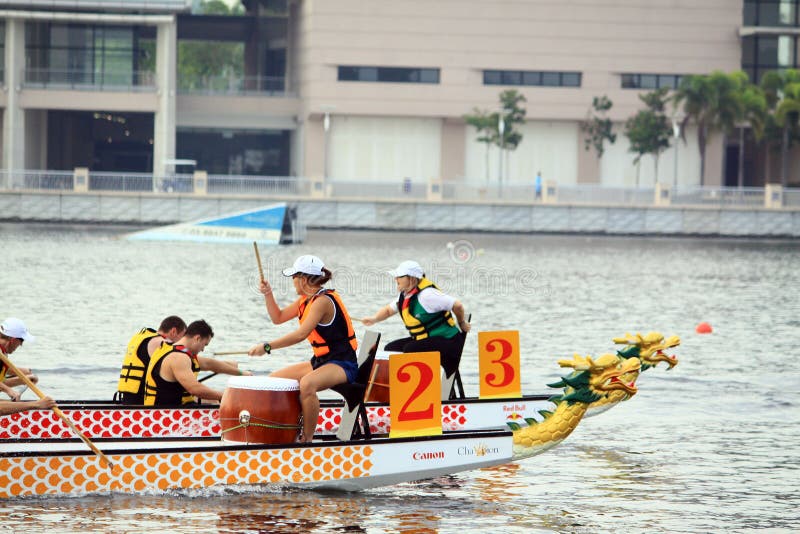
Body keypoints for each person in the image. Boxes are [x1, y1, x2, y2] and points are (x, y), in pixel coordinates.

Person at [247, 254, 358, 443]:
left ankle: (307, 439)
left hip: (343, 364)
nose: (292, 282)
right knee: (274, 380)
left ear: (304, 279)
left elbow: (300, 334)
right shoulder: (305, 300)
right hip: (321, 361)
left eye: (294, 277)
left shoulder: (322, 301)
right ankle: (287, 429)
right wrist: (268, 294)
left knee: (307, 384)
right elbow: (277, 318)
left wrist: (267, 347)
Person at [361, 260, 470, 375]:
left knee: (410, 349)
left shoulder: (428, 295)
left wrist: (462, 323)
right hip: (428, 340)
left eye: (399, 276)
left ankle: (419, 380)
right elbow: (388, 311)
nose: (396, 279)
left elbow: (457, 305)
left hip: (449, 342)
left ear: (412, 278)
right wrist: (374, 319)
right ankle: (396, 381)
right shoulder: (406, 295)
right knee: (390, 348)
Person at [143, 319, 250, 406]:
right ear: (197, 338)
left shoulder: (170, 349)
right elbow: (195, 389)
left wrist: (241, 373)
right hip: (166, 415)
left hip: (168, 409)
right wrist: (228, 396)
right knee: (221, 401)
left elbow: (210, 364)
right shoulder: (178, 357)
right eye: (205, 344)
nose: (203, 349)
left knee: (213, 400)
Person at [117, 315, 187, 404]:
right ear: (173, 331)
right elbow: (185, 356)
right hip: (143, 403)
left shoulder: (141, 338)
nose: (183, 342)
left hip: (128, 399)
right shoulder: (161, 342)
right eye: (183, 337)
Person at [0, 317, 38, 401]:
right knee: (31, 405)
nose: (21, 345)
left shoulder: (3, 352)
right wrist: (9, 391)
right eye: (22, 341)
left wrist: (23, 378)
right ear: (13, 340)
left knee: (27, 373)